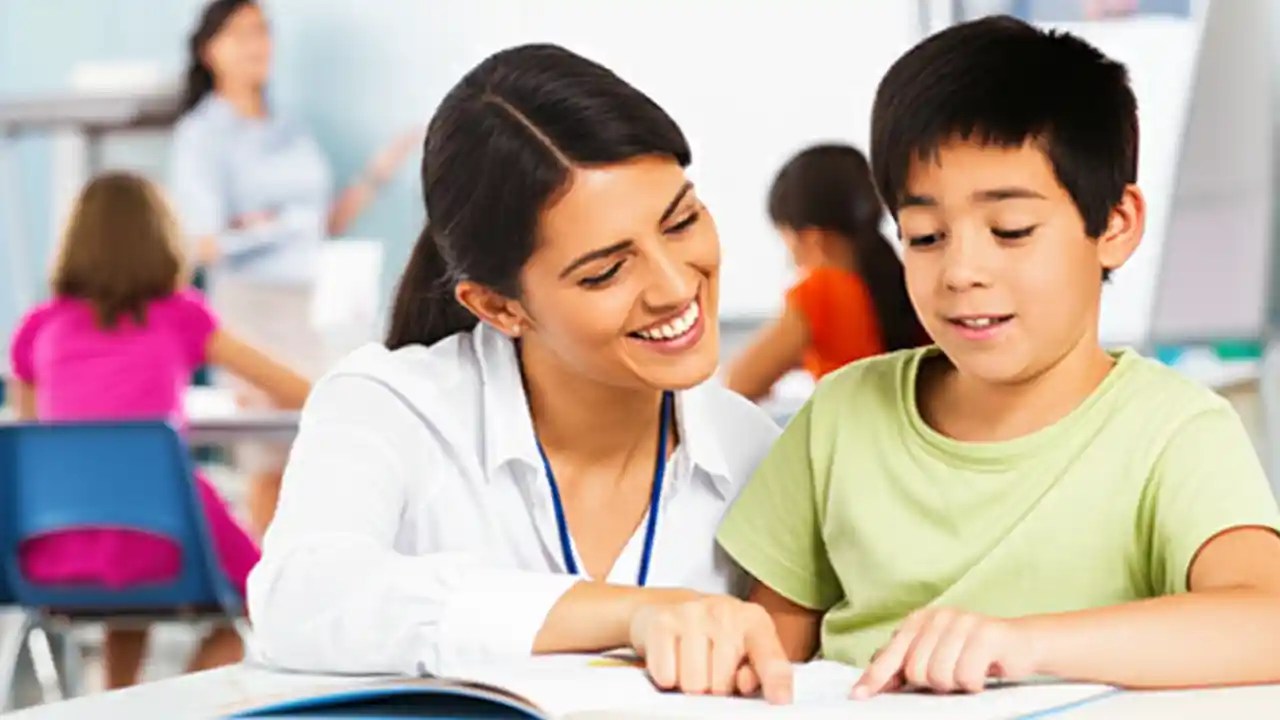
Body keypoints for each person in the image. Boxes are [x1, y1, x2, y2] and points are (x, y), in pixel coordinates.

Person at [628, 15, 1280, 701]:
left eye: (1011, 230)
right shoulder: (842, 415)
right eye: (927, 235)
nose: (962, 271)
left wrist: (1023, 643)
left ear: (1114, 226)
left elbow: (1266, 620)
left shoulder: (1173, 430)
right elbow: (766, 656)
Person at [245, 43, 785, 687]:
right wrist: (635, 612)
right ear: (500, 307)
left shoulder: (754, 451)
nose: (673, 285)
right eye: (607, 271)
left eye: (682, 221)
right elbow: (300, 598)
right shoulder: (392, 404)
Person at [6, 172, 310, 688]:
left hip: (56, 546)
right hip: (163, 539)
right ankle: (167, 707)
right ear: (162, 240)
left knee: (129, 579)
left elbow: (40, 437)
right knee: (265, 604)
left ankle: (120, 704)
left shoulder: (38, 327)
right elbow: (301, 389)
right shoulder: (180, 316)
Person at [169, 0, 417, 538]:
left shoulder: (291, 129)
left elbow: (318, 224)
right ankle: (263, 597)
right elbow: (205, 243)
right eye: (240, 34)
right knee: (268, 458)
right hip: (251, 308)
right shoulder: (202, 134)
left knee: (326, 446)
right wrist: (271, 225)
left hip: (315, 302)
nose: (257, 45)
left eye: (262, 32)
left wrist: (378, 173)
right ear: (210, 51)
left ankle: (313, 591)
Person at [725, 144, 924, 401]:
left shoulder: (821, 290)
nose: (790, 258)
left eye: (786, 238)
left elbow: (737, 386)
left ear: (812, 238)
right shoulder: (907, 281)